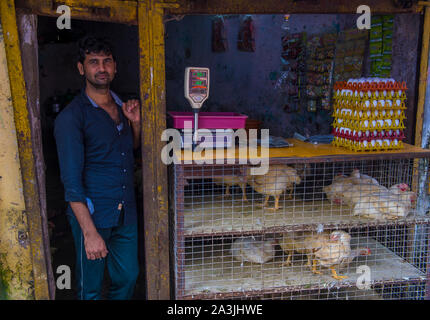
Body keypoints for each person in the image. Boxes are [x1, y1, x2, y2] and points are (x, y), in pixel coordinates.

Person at [54, 36, 141, 300]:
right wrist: (89, 233)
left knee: (127, 278)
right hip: (92, 215)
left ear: (115, 66)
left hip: (124, 212)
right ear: (82, 68)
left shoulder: (122, 107)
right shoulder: (72, 117)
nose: (101, 68)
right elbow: (70, 181)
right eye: (93, 62)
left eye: (106, 61)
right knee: (90, 288)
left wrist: (135, 124)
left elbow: (130, 151)